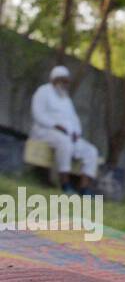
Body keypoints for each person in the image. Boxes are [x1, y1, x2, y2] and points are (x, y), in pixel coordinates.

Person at [29, 65, 99, 195]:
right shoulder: (43, 91)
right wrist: (55, 125)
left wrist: (77, 133)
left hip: (69, 136)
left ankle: (84, 188)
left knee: (91, 151)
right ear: (54, 79)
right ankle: (65, 183)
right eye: (61, 80)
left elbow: (75, 120)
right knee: (64, 142)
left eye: (66, 81)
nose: (64, 84)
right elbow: (37, 114)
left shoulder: (66, 99)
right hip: (45, 132)